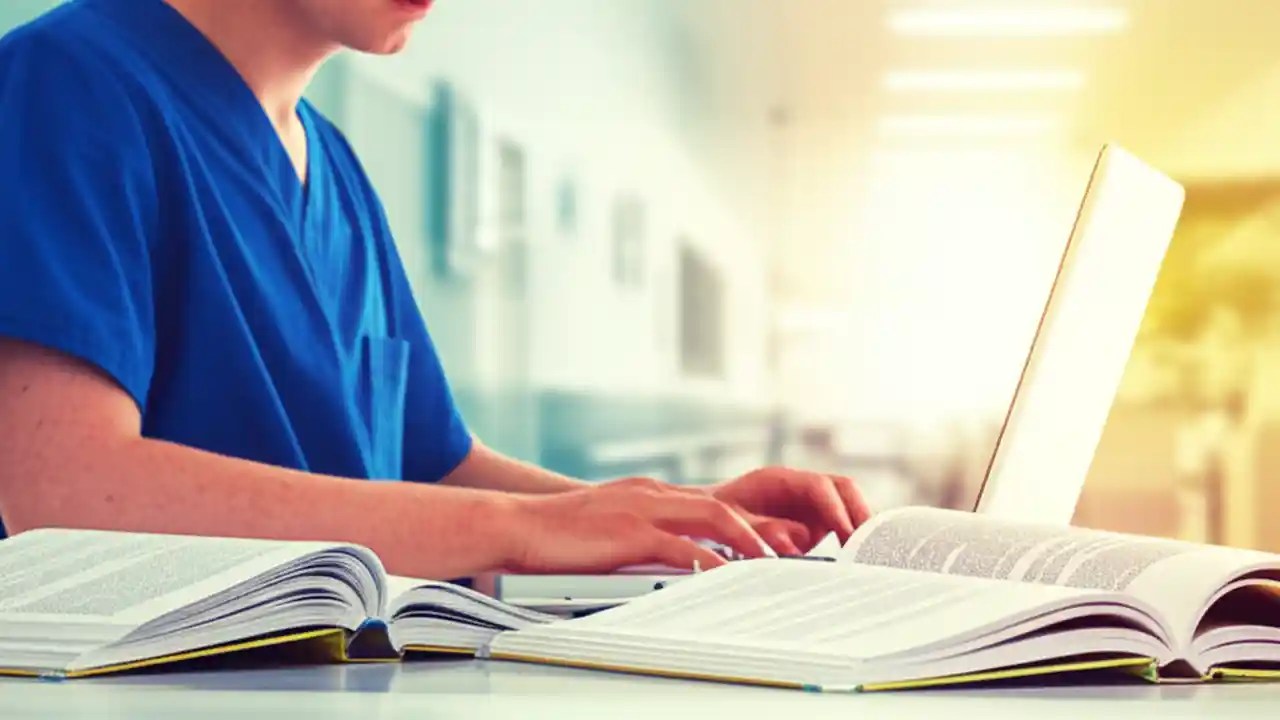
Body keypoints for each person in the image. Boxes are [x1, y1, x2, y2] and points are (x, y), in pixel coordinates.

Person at [0, 0, 870, 581]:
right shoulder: (65, 82)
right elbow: (60, 488)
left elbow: (435, 463)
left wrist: (686, 522)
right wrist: (523, 529)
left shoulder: (335, 166)